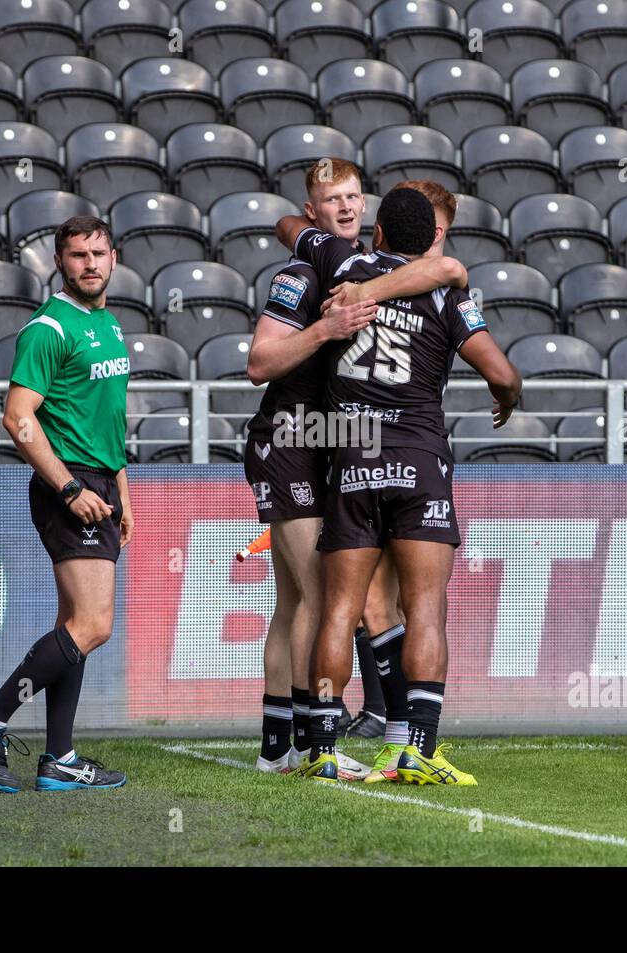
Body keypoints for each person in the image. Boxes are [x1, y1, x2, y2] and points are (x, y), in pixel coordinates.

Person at [274, 187, 522, 785]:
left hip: (352, 457)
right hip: (419, 460)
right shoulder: (446, 294)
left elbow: (287, 226)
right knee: (426, 606)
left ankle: (322, 750)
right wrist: (506, 397)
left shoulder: (342, 264)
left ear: (378, 232)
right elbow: (503, 372)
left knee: (340, 609)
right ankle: (418, 750)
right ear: (433, 238)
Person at [246, 159, 467, 776]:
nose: (344, 207)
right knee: (324, 595)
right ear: (313, 211)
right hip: (292, 436)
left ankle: (280, 746)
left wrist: (367, 292)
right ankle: (321, 742)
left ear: (366, 207)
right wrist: (326, 328)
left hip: (339, 442)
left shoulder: (363, 270)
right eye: (330, 199)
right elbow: (260, 363)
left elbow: (447, 268)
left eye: (352, 197)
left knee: (297, 600)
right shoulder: (302, 272)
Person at [0, 215, 132, 793]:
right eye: (78, 254)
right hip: (70, 487)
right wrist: (71, 489)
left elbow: (108, 419)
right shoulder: (48, 328)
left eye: (98, 253)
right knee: (94, 626)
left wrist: (122, 492)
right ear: (59, 262)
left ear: (114, 257)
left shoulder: (108, 323)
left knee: (73, 626)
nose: (90, 264)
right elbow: (17, 418)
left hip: (100, 483)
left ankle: (59, 758)